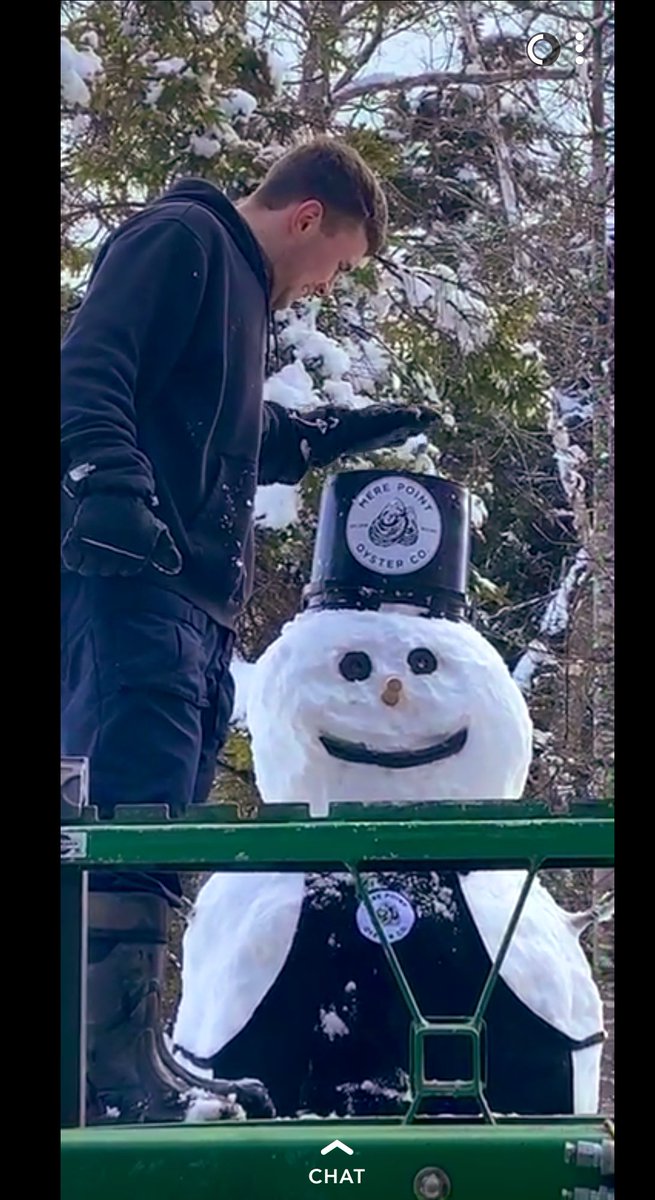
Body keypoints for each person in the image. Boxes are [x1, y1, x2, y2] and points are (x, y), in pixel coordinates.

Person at [60, 136, 437, 1124]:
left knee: (160, 823)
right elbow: (92, 362)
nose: (324, 285)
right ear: (308, 217)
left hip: (190, 607)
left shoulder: (239, 296)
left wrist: (323, 436)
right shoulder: (182, 239)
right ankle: (99, 1077)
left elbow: (225, 436)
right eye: (339, 264)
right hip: (128, 584)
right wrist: (104, 482)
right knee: (123, 811)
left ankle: (131, 1053)